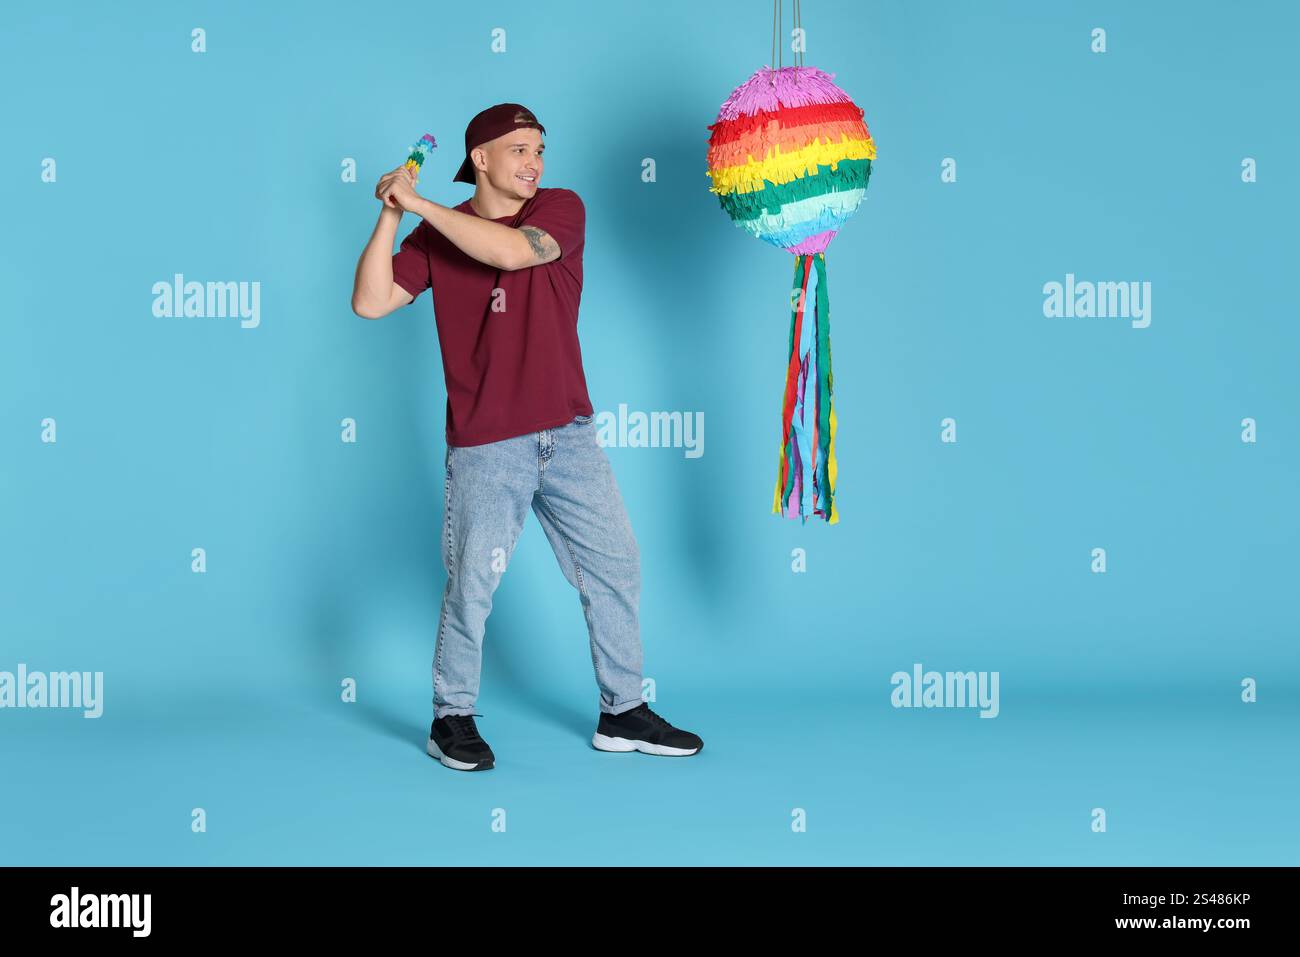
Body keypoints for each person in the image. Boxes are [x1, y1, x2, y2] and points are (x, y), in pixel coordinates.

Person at [350, 103, 703, 771]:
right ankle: (451, 716)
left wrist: (420, 204)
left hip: (568, 434)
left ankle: (622, 710)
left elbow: (512, 254)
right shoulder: (433, 238)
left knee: (616, 565)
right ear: (478, 158)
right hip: (486, 443)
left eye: (539, 148)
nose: (534, 161)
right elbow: (369, 301)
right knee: (472, 584)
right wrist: (393, 213)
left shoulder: (560, 210)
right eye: (517, 149)